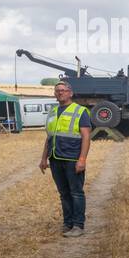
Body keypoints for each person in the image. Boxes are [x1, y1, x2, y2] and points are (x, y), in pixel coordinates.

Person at [38, 82, 92, 236]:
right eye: (57, 91)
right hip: (55, 158)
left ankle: (78, 226)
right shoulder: (53, 112)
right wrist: (43, 159)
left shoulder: (80, 111)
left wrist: (82, 159)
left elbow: (86, 137)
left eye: (63, 90)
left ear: (70, 93)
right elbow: (49, 137)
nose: (60, 93)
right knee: (64, 193)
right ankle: (68, 223)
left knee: (76, 193)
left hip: (72, 158)